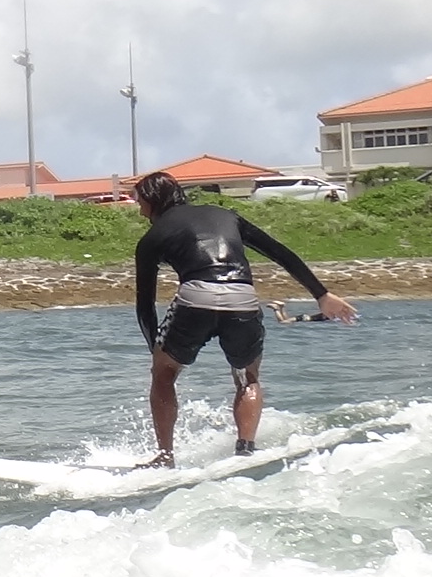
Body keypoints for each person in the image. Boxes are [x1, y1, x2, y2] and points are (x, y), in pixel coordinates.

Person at [132, 170, 355, 467]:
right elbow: (281, 253)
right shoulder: (226, 215)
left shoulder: (153, 237)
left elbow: (144, 305)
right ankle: (246, 451)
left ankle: (165, 456)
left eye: (139, 202)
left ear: (151, 200)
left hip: (195, 299)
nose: (139, 209)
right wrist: (322, 295)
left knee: (163, 376)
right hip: (243, 298)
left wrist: (156, 352)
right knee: (247, 377)